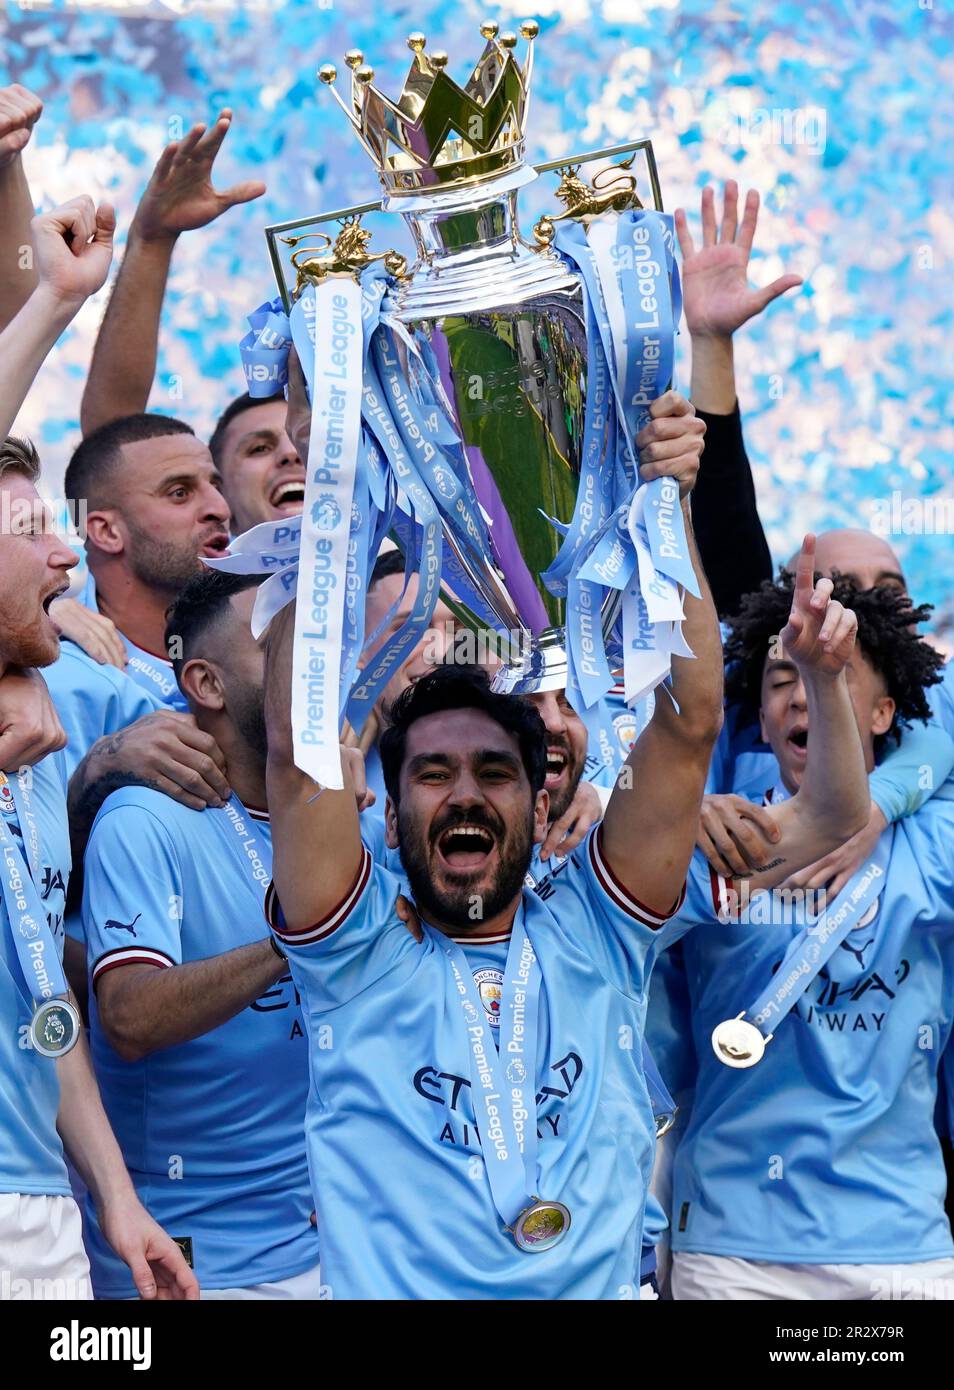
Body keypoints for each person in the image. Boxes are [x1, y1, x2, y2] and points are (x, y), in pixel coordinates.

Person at [259, 385, 728, 1299]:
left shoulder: (597, 933)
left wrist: (662, 503)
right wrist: (331, 498)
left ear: (542, 795)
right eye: (431, 775)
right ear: (387, 816)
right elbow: (294, 749)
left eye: (495, 772)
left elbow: (687, 721)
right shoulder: (353, 956)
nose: (464, 793)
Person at [0, 196, 197, 1299]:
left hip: (42, 1208)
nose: (66, 562)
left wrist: (119, 1202)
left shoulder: (33, 752)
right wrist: (52, 302)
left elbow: (42, 1002)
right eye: (35, 535)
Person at [667, 568, 954, 1300]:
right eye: (779, 679)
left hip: (900, 1253)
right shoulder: (718, 844)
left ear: (888, 712)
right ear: (760, 719)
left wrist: (894, 797)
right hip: (734, 1255)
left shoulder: (934, 845)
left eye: (832, 672)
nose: (803, 692)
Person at [81, 569, 318, 1298]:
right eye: (273, 640)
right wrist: (296, 940)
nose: (299, 658)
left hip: (327, 1245)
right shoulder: (144, 821)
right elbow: (128, 1016)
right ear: (207, 684)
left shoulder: (335, 815)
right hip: (189, 1266)